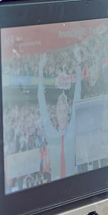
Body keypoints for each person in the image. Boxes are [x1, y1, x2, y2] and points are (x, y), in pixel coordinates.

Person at [37, 50, 82, 181]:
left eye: (64, 111)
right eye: (60, 111)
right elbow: (41, 100)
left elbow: (77, 97)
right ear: (56, 113)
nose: (62, 115)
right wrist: (40, 70)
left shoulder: (72, 129)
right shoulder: (51, 133)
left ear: (68, 113)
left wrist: (79, 68)